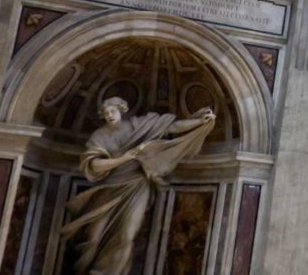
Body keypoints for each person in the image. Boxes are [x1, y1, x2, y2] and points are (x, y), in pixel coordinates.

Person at [59, 98, 219, 275]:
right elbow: (94, 165)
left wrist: (198, 121)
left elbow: (171, 127)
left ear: (122, 109)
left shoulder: (139, 125)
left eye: (112, 111)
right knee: (93, 238)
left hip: (138, 186)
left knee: (127, 234)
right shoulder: (100, 136)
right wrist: (124, 158)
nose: (109, 116)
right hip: (110, 187)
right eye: (105, 113)